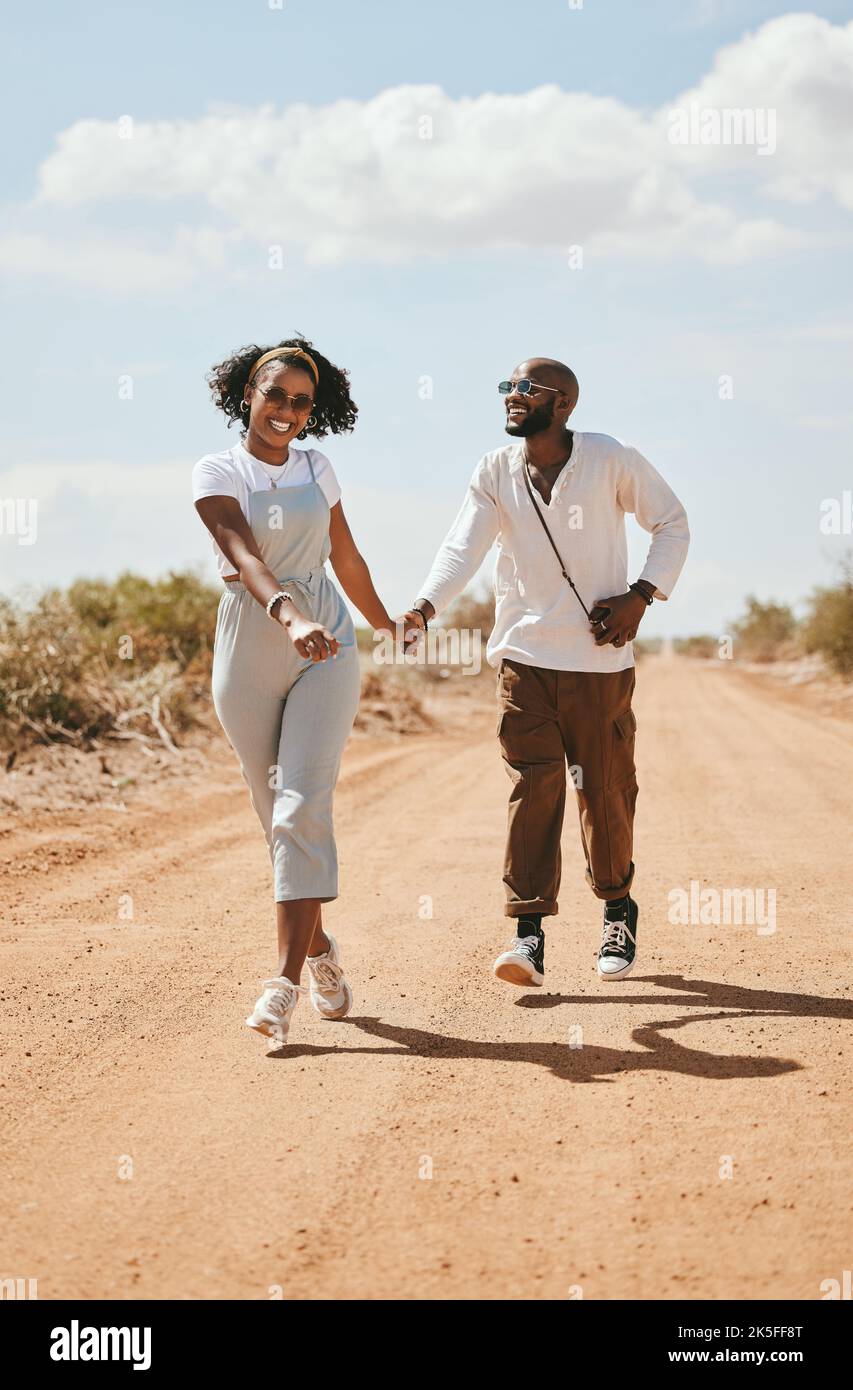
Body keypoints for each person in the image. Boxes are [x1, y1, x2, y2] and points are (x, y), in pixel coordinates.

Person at [400, 358, 690, 985]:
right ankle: (527, 933)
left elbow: (672, 523)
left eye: (525, 388)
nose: (511, 396)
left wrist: (642, 595)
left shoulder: (610, 458)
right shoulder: (494, 471)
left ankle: (617, 908)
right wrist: (424, 608)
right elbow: (463, 548)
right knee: (533, 791)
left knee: (604, 790)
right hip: (524, 660)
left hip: (597, 663)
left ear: (563, 404)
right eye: (506, 386)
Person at [192, 338, 401, 1045]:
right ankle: (319, 950)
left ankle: (281, 986)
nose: (286, 410)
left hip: (326, 643)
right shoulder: (218, 469)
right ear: (246, 393)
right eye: (274, 394)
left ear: (316, 411)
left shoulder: (317, 465)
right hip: (253, 632)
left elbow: (344, 555)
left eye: (300, 401)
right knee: (272, 813)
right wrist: (286, 614)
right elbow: (241, 552)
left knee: (300, 804)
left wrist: (384, 624)